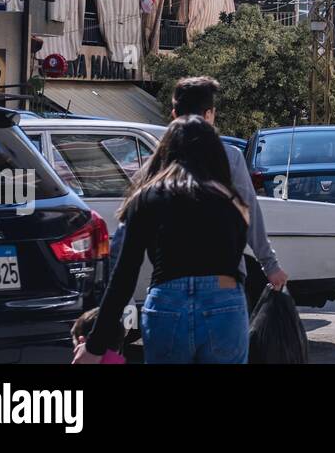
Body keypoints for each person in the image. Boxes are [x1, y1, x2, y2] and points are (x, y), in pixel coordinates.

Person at [74, 116, 250, 364]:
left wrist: (96, 345)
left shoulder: (146, 198)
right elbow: (235, 261)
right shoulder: (232, 202)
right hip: (225, 294)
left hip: (167, 296)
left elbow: (124, 276)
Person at [171, 76, 288, 292]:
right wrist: (270, 265)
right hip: (223, 281)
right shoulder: (230, 158)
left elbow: (133, 232)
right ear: (208, 115)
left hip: (170, 285)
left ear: (174, 115)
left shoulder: (158, 161)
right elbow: (249, 212)